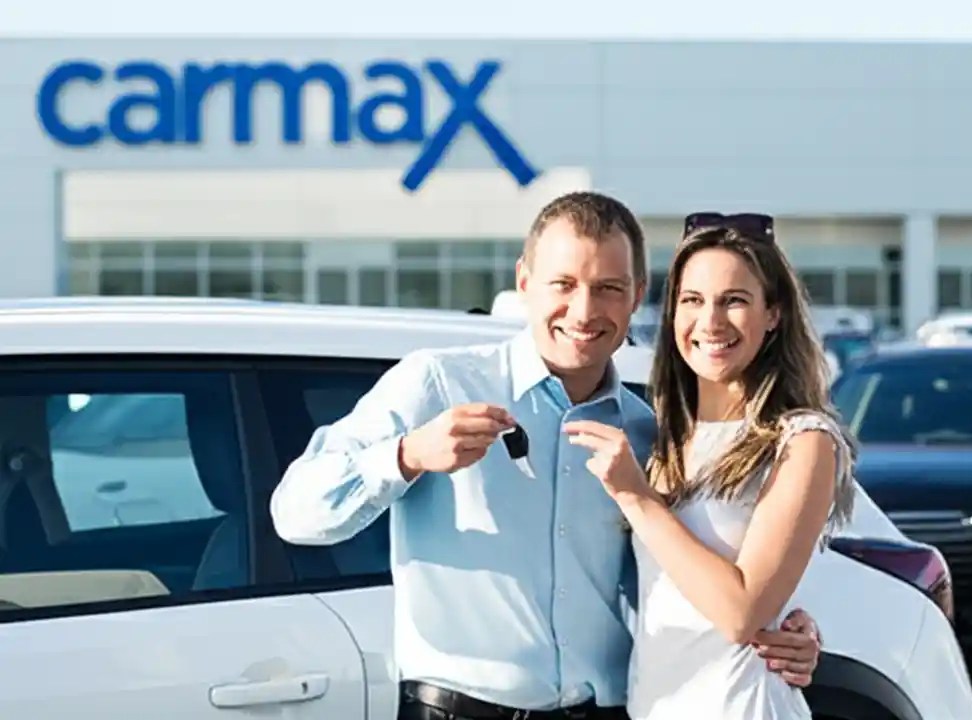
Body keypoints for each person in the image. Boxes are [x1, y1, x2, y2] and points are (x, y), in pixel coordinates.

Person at [269, 193, 824, 720]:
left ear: (636, 296)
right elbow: (294, 514)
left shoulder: (646, 434)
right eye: (563, 283)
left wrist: (790, 633)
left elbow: (687, 577)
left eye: (608, 288)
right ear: (525, 282)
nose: (583, 311)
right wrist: (407, 456)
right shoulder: (437, 384)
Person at [563, 212, 856, 719]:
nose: (711, 322)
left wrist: (637, 496)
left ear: (773, 314)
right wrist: (801, 622)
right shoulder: (664, 440)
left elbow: (741, 613)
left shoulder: (803, 440)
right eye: (693, 300)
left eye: (735, 301)